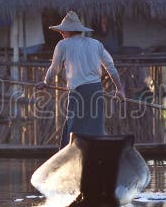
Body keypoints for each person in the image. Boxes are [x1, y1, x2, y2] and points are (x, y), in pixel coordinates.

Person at [37, 11, 125, 148]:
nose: (61, 33)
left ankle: (74, 154)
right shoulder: (95, 44)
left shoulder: (63, 45)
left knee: (74, 130)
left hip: (78, 93)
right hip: (96, 91)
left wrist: (45, 82)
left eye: (63, 31)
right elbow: (110, 67)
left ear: (67, 31)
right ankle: (94, 151)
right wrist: (120, 89)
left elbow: (55, 68)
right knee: (95, 128)